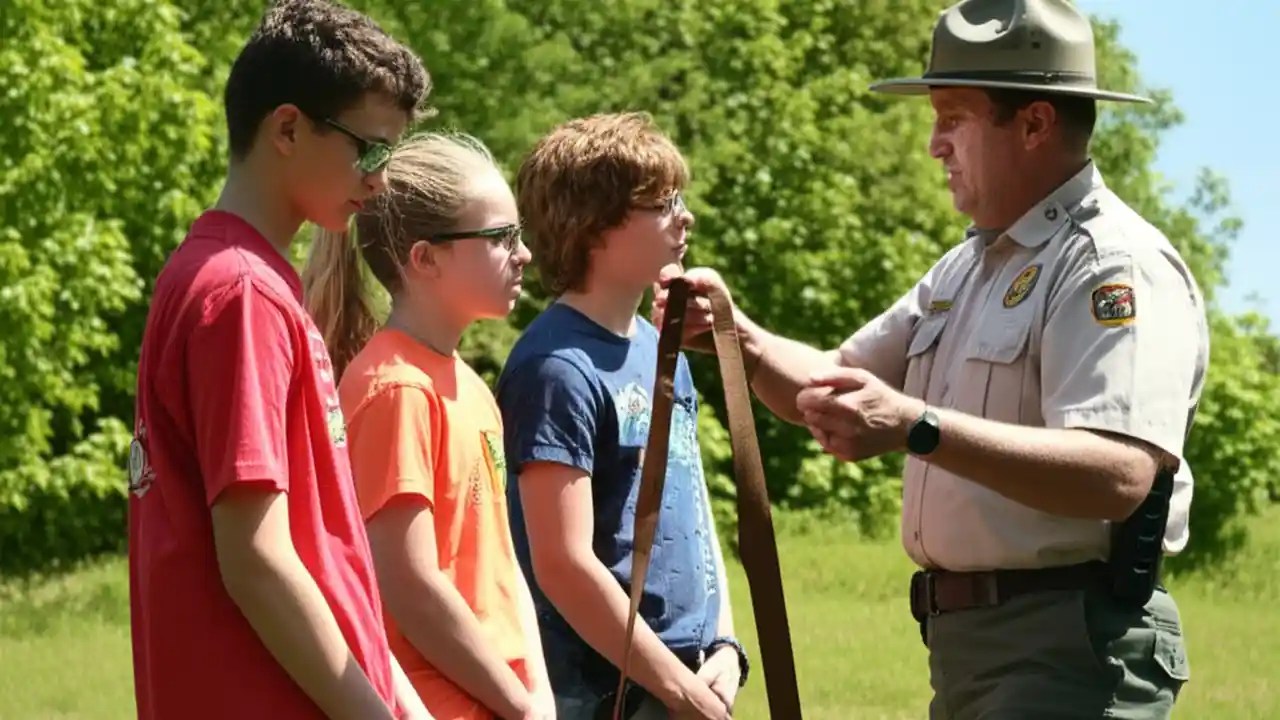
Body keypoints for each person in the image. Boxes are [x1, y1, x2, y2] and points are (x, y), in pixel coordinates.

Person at [655, 1, 1208, 718]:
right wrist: (740, 339)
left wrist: (918, 426)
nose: (933, 144)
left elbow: (1121, 474)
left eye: (953, 117)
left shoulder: (1111, 266)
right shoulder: (968, 267)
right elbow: (831, 387)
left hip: (1071, 651)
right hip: (974, 653)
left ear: (1035, 124)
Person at [126, 1, 433, 718]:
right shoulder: (240, 294)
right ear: (288, 128)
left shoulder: (227, 277)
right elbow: (258, 558)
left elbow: (323, 554)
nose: (381, 180)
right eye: (372, 149)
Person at [496, 112, 746, 720]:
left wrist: (726, 646)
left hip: (687, 679)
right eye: (661, 204)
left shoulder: (660, 348)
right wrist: (677, 691)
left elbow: (694, 513)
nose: (684, 217)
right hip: (607, 693)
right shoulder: (555, 367)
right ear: (594, 228)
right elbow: (563, 563)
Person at [301, 131, 554, 720]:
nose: (524, 255)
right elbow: (409, 587)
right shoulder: (397, 390)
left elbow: (505, 565)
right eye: (501, 238)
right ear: (426, 258)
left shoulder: (465, 384)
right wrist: (520, 705)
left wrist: (535, 695)